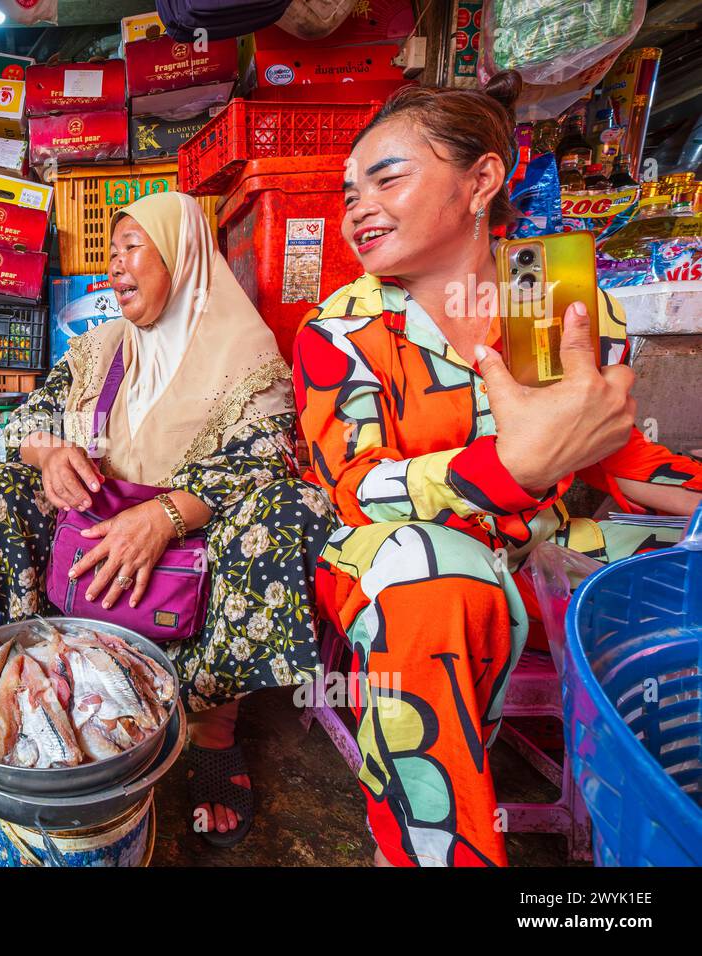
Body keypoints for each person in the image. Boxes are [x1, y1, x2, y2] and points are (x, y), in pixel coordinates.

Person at [293, 71, 702, 867]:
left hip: (537, 555)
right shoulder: (343, 327)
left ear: (482, 179)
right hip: (390, 561)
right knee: (435, 576)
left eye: (387, 179)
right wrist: (512, 466)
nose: (358, 210)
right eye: (349, 194)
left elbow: (621, 458)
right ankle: (428, 847)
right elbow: (359, 488)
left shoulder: (551, 302)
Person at [0, 191, 336, 846]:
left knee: (289, 514)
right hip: (97, 531)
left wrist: (165, 515)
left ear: (184, 256)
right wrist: (50, 452)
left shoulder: (243, 352)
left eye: (132, 248)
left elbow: (264, 460)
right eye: (111, 254)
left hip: (188, 549)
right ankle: (44, 671)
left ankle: (211, 728)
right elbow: (28, 420)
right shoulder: (103, 347)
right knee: (0, 486)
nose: (116, 267)